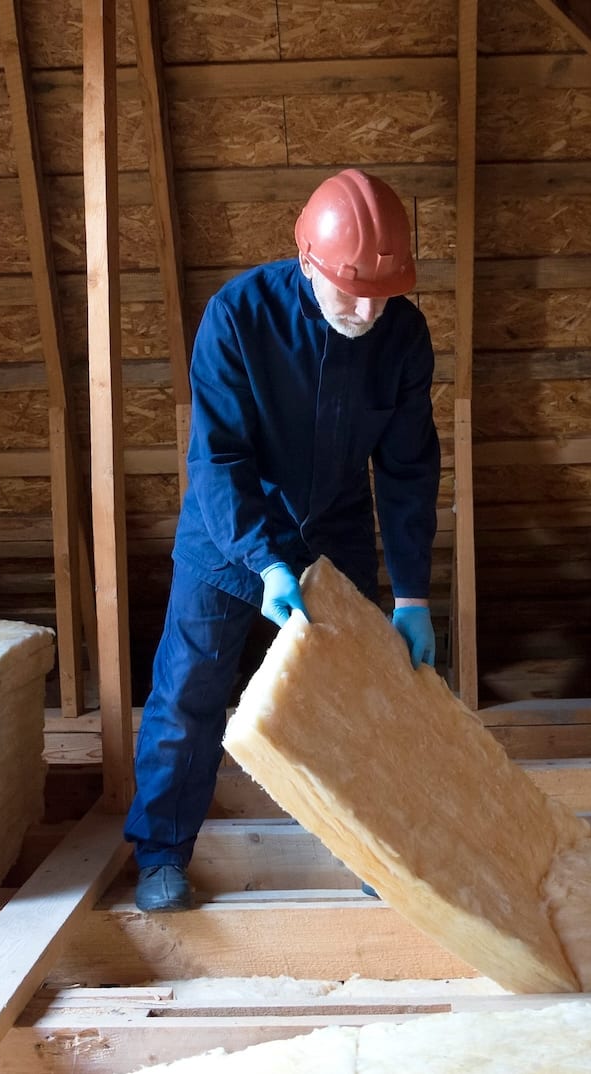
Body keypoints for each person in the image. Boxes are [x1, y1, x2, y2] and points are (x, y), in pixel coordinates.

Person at [124, 168, 441, 913]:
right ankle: (162, 854)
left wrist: (413, 594)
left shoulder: (402, 335)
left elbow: (407, 469)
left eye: (383, 293)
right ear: (307, 261)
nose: (367, 310)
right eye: (350, 292)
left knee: (355, 696)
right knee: (190, 693)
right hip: (227, 532)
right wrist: (266, 562)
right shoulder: (238, 316)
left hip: (334, 530)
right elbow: (219, 458)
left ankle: (369, 848)